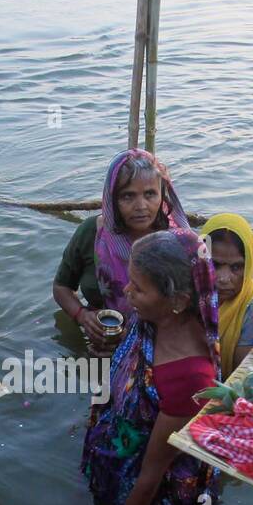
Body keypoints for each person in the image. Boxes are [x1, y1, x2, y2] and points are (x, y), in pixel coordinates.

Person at [82, 229, 221, 505]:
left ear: (178, 300)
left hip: (154, 493)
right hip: (124, 450)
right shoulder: (153, 320)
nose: (127, 291)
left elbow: (150, 475)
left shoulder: (189, 377)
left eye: (139, 288)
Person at [53, 149, 189, 355]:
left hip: (156, 350)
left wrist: (130, 341)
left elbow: (185, 314)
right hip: (98, 341)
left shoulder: (175, 244)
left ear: (162, 195)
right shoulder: (92, 232)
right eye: (128, 196)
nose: (141, 206)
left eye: (150, 194)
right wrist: (83, 317)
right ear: (112, 200)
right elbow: (61, 287)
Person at [199, 213, 253, 376]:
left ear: (249, 266)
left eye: (236, 267)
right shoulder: (186, 295)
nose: (223, 278)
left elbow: (246, 384)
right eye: (214, 265)